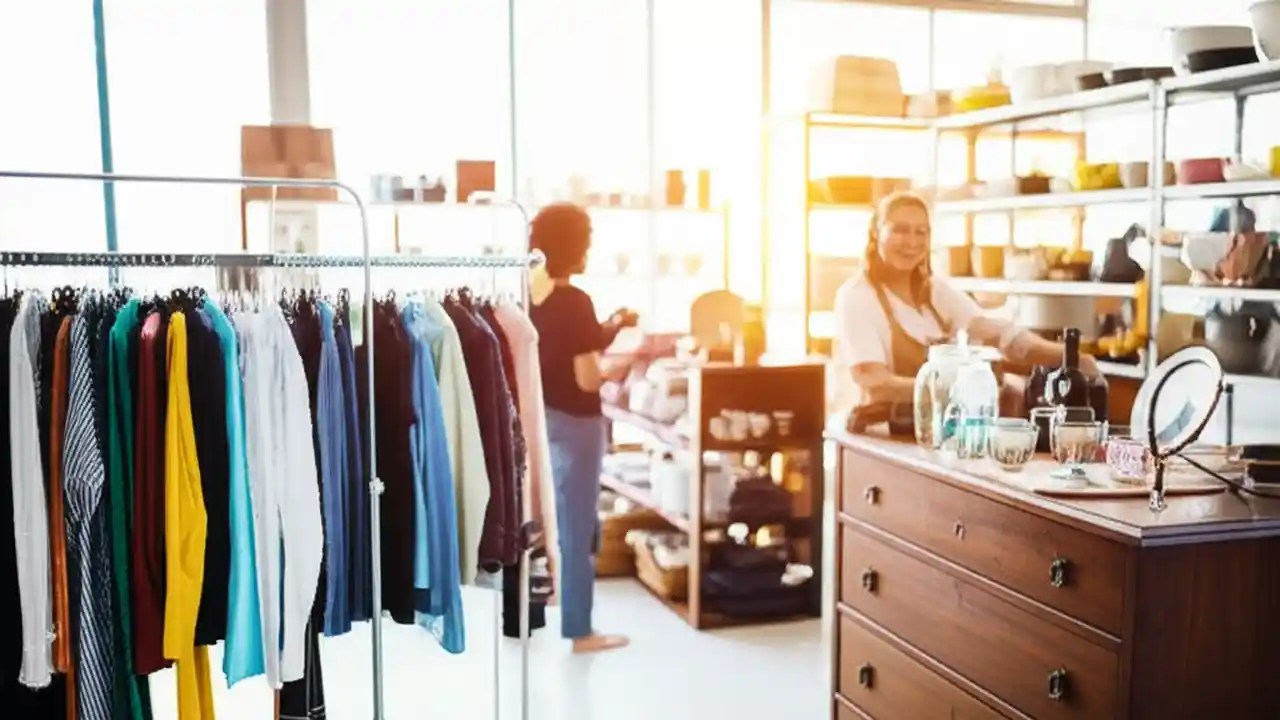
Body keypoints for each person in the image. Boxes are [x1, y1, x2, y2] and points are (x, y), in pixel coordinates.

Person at [833, 191, 1098, 426]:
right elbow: (877, 386)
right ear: (876, 233)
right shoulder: (856, 297)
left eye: (921, 231)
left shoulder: (934, 291)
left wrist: (1071, 358)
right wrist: (964, 389)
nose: (911, 242)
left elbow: (997, 333)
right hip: (876, 437)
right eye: (900, 230)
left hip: (926, 430)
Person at [528, 203, 636, 654]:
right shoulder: (576, 301)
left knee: (545, 524)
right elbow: (589, 378)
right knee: (578, 530)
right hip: (578, 425)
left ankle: (542, 615)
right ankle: (580, 631)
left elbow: (570, 346)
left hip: (544, 419)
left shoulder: (533, 293)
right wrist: (624, 366)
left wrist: (610, 330)